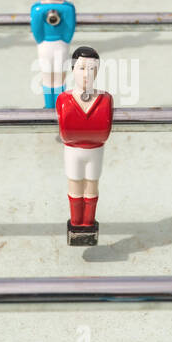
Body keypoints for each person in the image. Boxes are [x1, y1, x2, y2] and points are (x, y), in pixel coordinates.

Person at [55, 46, 113, 245]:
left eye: (91, 69)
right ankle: (76, 221)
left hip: (94, 151)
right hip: (73, 151)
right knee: (75, 184)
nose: (86, 74)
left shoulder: (105, 100)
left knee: (91, 186)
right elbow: (67, 133)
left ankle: (88, 224)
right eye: (81, 68)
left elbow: (102, 132)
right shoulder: (63, 99)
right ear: (72, 69)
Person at [30, 0, 76, 108]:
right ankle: (59, 106)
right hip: (61, 45)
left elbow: (36, 31)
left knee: (46, 77)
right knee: (59, 78)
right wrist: (64, 41)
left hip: (44, 46)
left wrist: (41, 41)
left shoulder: (37, 9)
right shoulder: (68, 8)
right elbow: (69, 30)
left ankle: (49, 105)